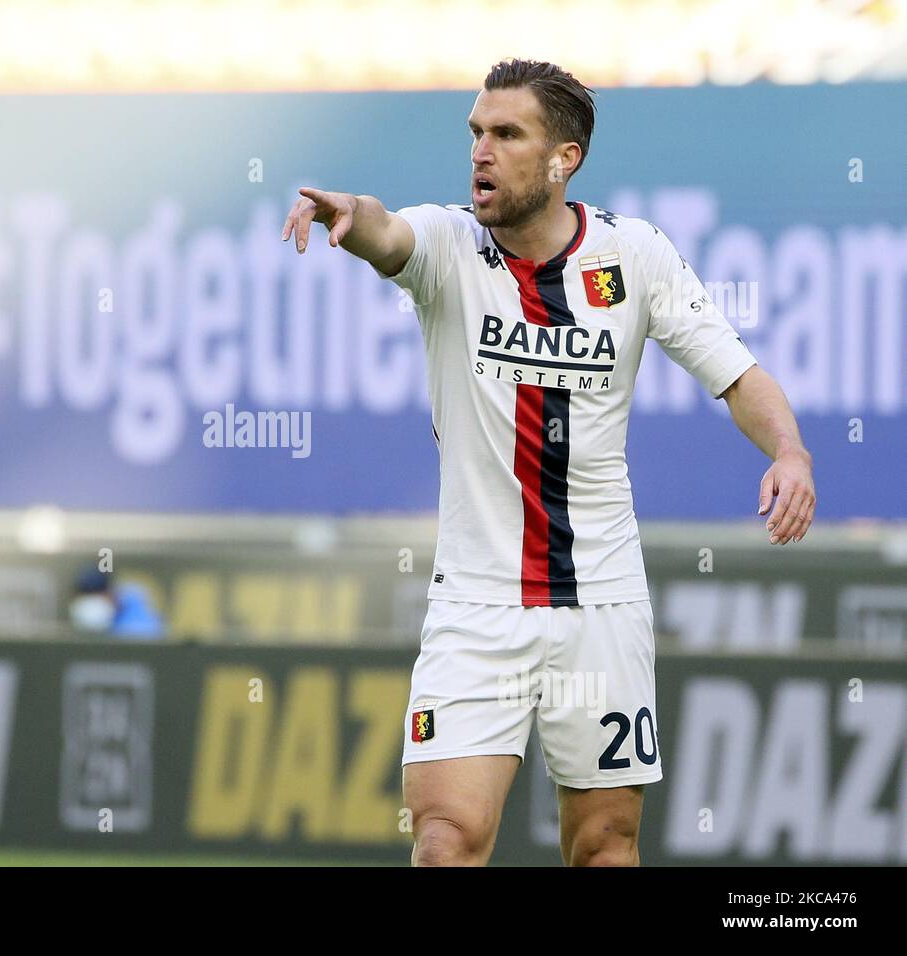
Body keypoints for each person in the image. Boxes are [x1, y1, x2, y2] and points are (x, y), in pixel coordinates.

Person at [281, 58, 816, 867]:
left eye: (506, 134)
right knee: (445, 838)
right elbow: (390, 231)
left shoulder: (633, 256)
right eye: (475, 134)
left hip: (601, 600)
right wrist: (353, 213)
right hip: (476, 606)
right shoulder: (449, 248)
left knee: (605, 846)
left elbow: (736, 374)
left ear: (564, 158)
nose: (481, 153)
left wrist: (790, 451)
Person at [67, 565, 164, 639]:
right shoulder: (76, 615)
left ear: (111, 594)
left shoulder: (140, 623)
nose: (91, 605)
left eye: (98, 596)